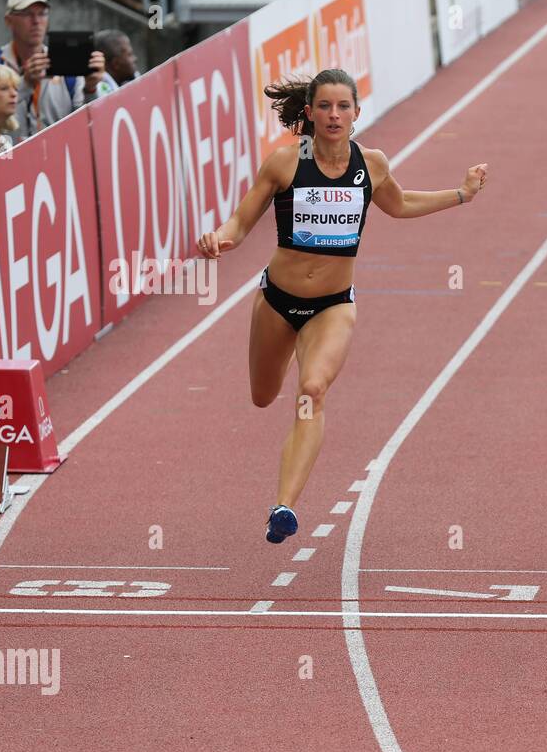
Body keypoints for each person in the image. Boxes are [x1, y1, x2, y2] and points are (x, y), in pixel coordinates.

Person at [197, 68, 488, 544]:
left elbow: (400, 203)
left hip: (333, 304)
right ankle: (288, 352)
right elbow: (239, 222)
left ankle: (284, 506)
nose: (334, 115)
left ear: (356, 113)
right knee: (263, 395)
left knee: (312, 389)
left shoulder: (370, 164)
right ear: (309, 114)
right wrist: (218, 240)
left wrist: (460, 194)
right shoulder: (284, 164)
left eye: (343, 107)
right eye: (325, 107)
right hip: (276, 301)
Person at [0, 0, 107, 141]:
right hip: (6, 159)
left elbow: (86, 124)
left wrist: (90, 88)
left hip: (58, 159)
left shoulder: (67, 64)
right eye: (27, 14)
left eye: (42, 13)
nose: (36, 21)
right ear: (8, 21)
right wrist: (25, 85)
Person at [94, 29, 139, 96]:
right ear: (116, 64)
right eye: (130, 54)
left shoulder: (133, 77)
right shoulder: (100, 93)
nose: (135, 59)